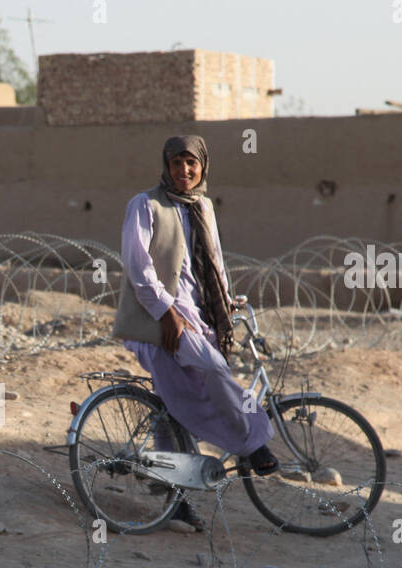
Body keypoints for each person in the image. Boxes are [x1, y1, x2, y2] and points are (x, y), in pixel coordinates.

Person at [112, 134, 278, 532]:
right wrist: (166, 312)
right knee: (215, 370)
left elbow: (214, 263)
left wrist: (224, 302)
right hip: (157, 323)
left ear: (203, 166)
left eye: (192, 164)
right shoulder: (146, 205)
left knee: (173, 411)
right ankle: (252, 442)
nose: (184, 171)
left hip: (193, 317)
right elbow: (138, 268)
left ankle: (175, 499)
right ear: (165, 166)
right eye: (176, 164)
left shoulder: (203, 207)